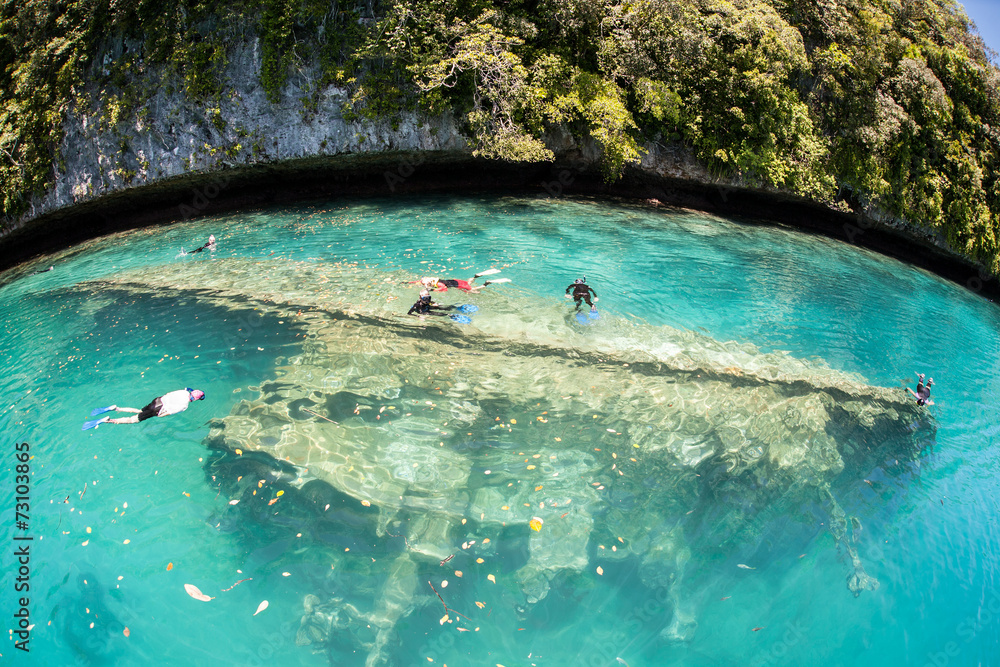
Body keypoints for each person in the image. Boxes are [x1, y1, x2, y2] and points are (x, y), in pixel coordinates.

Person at [84, 388, 206, 429]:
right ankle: (108, 420)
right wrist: (160, 415)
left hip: (157, 401)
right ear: (195, 399)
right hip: (158, 409)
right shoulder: (184, 405)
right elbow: (169, 411)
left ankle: (116, 408)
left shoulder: (183, 392)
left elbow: (168, 394)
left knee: (140, 411)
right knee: (133, 420)